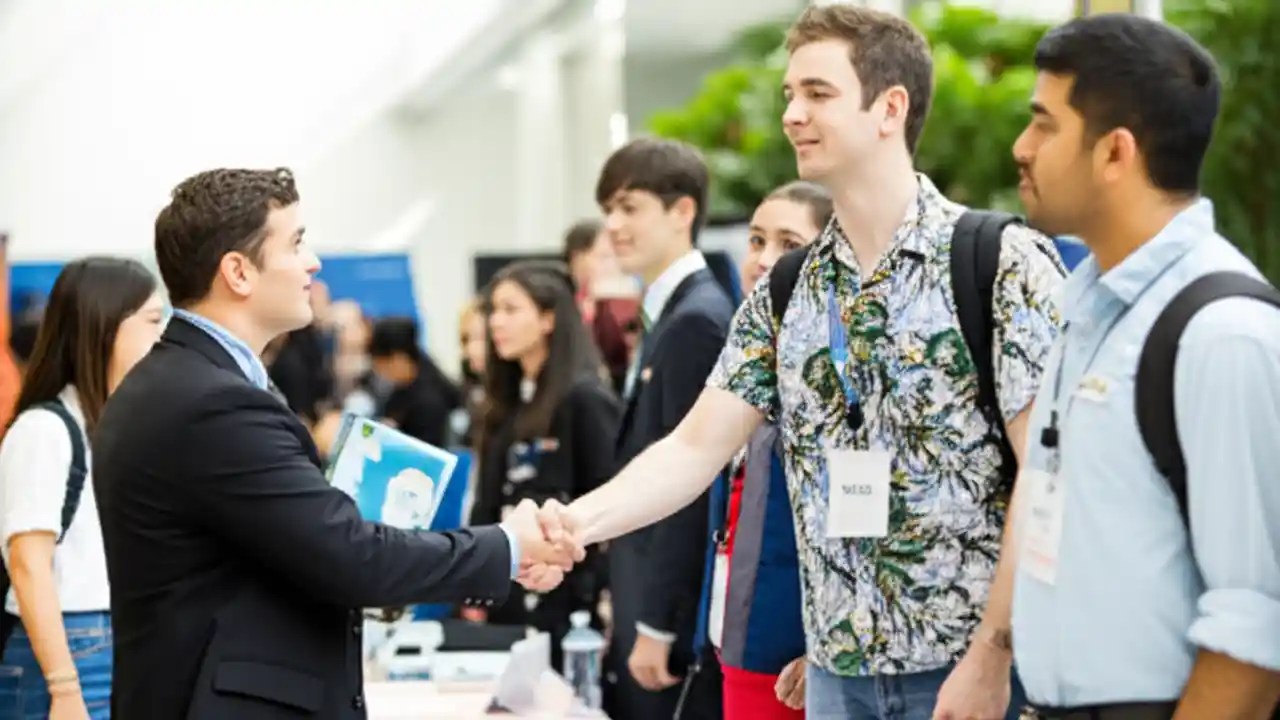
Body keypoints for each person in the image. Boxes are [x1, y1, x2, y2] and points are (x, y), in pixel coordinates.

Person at [539, 6, 1067, 719]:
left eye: (817, 94)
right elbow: (693, 450)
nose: (792, 114)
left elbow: (1048, 477)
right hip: (834, 682)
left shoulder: (999, 263)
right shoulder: (789, 291)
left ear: (890, 108)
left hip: (970, 676)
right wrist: (574, 525)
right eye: (790, 94)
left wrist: (992, 657)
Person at [92, 168, 576, 719]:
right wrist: (506, 547)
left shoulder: (198, 381)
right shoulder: (210, 399)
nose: (313, 262)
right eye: (296, 243)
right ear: (238, 272)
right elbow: (348, 555)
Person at [1006, 15, 1280, 718]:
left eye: (1044, 124)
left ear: (1115, 153)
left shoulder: (1221, 333)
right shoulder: (1090, 307)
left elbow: (1256, 630)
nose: (1021, 148)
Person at [597, 137, 735, 720]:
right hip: (641, 596)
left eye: (630, 207)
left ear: (682, 212)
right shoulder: (671, 313)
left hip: (669, 622)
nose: (613, 225)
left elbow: (692, 479)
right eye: (608, 210)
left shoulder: (696, 320)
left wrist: (657, 620)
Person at [0, 258, 163, 720]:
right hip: (68, 649)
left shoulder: (111, 425)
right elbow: (28, 563)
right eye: (152, 321)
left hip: (114, 639)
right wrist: (63, 686)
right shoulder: (44, 430)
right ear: (106, 326)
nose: (162, 336)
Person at [699, 181, 832, 720]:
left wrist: (823, 648)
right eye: (756, 241)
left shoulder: (835, 364)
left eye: (788, 243)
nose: (764, 260)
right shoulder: (748, 352)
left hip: (794, 657)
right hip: (736, 635)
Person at [470, 261, 620, 673]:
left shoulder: (584, 399)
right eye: (492, 311)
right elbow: (489, 500)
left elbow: (611, 500)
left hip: (568, 609)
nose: (496, 322)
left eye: (510, 309)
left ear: (549, 317)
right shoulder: (505, 404)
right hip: (508, 597)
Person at [367, 316, 462, 449]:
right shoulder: (402, 385)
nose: (379, 371)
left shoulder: (430, 401)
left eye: (380, 364)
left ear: (398, 359)